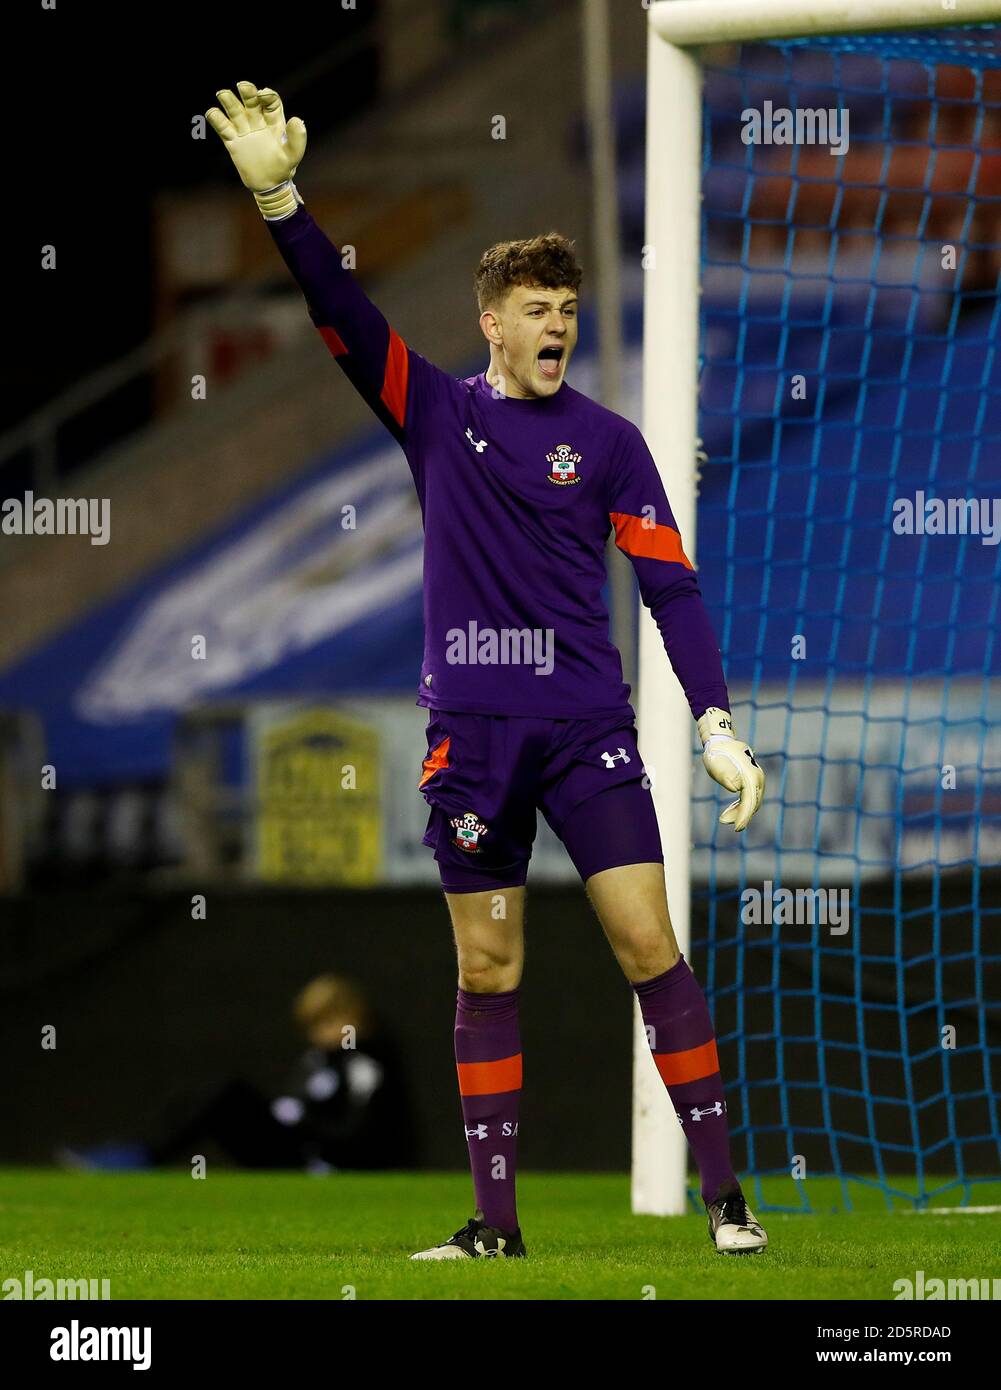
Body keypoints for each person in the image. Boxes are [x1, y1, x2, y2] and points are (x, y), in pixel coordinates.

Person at [206, 82, 768, 1256]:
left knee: (646, 943)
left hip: (583, 732)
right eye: (535, 307)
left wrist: (712, 718)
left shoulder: (609, 444)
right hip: (472, 739)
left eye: (566, 304)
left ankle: (726, 1201)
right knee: (487, 963)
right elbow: (342, 314)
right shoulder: (433, 415)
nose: (556, 322)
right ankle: (494, 1228)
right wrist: (279, 200)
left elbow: (669, 582)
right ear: (492, 325)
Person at [59, 974, 416, 1173]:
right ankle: (137, 1151)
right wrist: (291, 1114)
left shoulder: (369, 1062)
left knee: (229, 1092)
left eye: (325, 1022)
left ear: (351, 1015)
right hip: (298, 1149)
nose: (317, 1034)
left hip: (323, 1162)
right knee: (206, 1095)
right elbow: (298, 1099)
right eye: (312, 1026)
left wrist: (303, 1124)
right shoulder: (321, 1058)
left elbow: (365, 1137)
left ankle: (142, 1159)